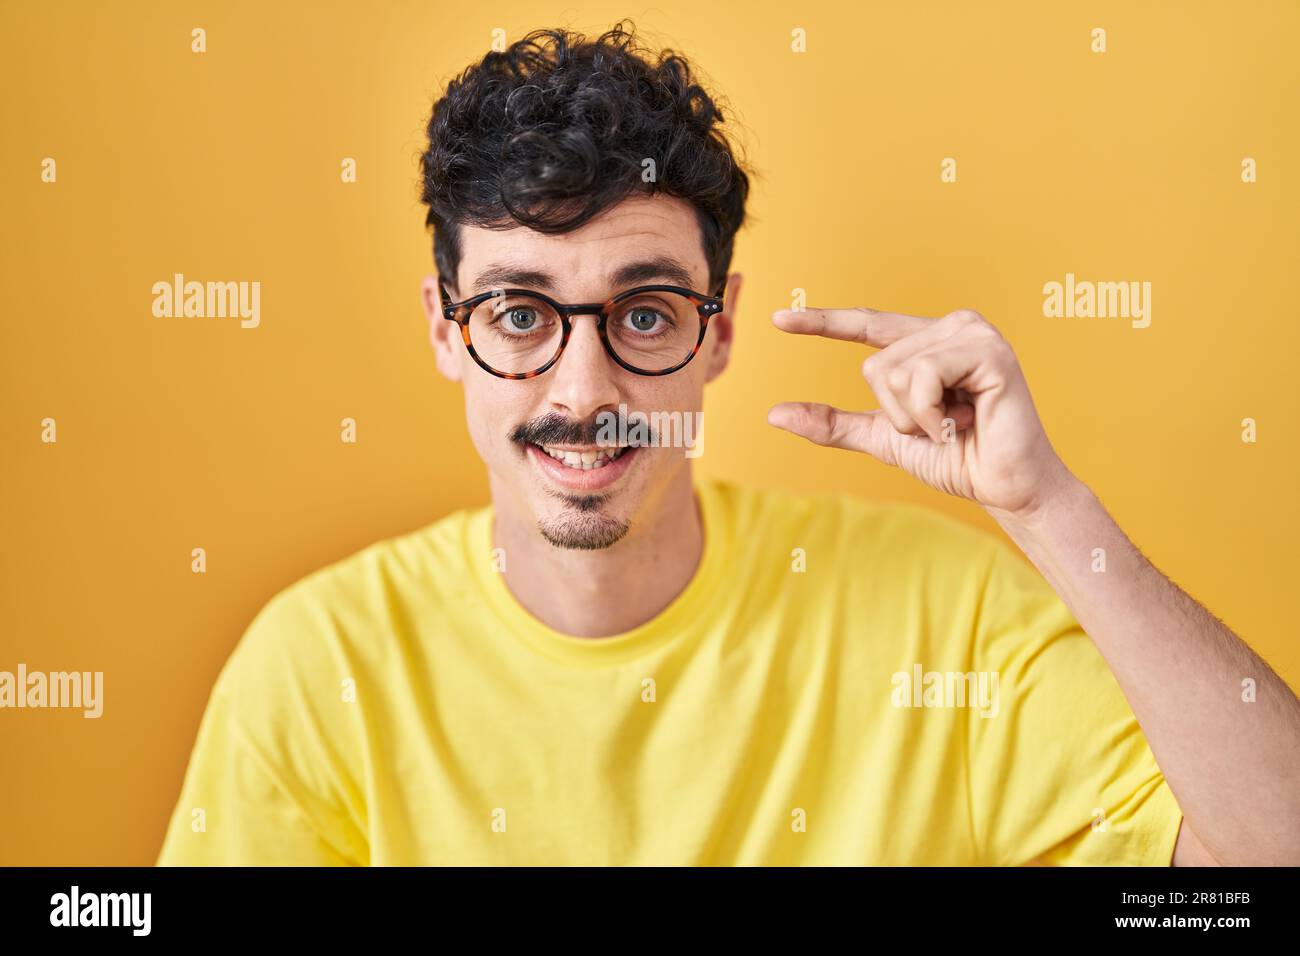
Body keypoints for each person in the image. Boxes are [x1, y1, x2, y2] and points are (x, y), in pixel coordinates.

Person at [157, 22, 1299, 866]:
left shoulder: (947, 621)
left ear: (721, 331)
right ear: (443, 330)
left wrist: (1050, 508)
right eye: (518, 314)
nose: (584, 387)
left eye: (644, 313)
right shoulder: (319, 669)